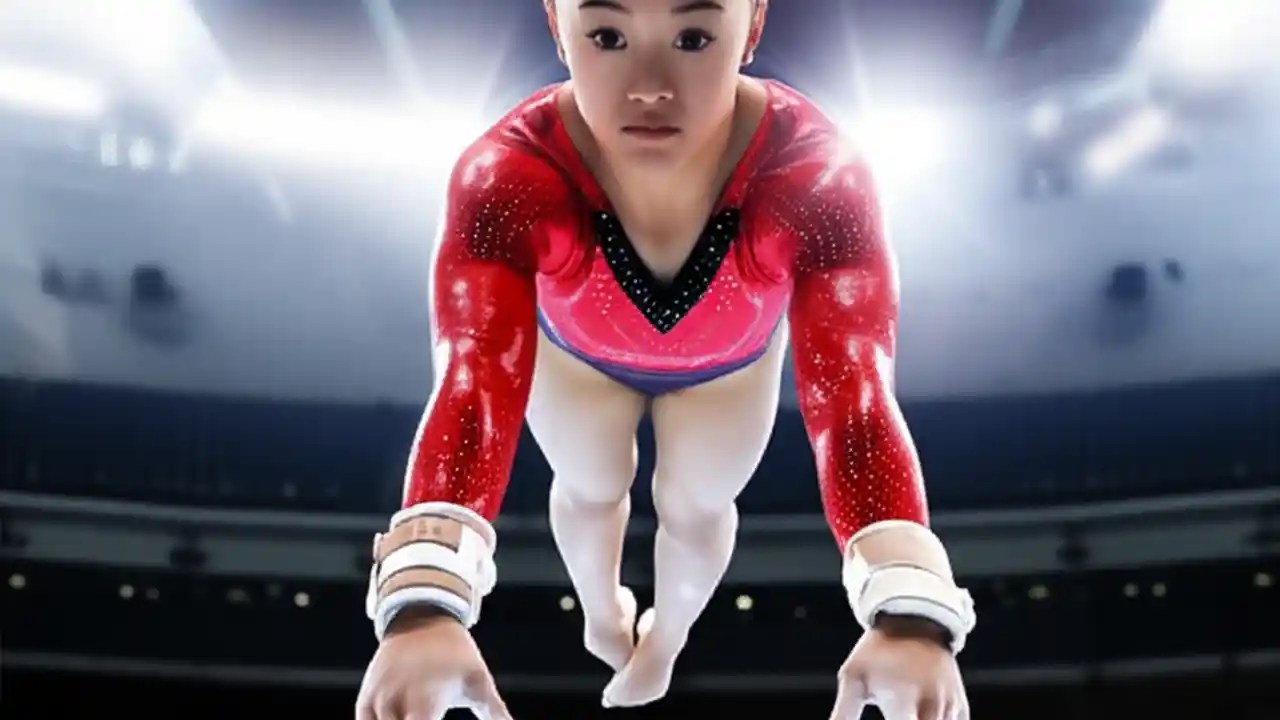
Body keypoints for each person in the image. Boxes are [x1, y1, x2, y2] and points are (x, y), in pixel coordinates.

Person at [356, 1, 976, 718]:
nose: (649, 86)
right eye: (609, 37)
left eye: (692, 37)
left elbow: (853, 393)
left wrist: (908, 608)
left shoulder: (816, 179)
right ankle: (599, 611)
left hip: (727, 374)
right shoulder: (507, 177)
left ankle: (670, 637)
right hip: (577, 363)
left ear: (753, 28)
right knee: (592, 485)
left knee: (697, 506)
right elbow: (475, 375)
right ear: (557, 27)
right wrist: (425, 604)